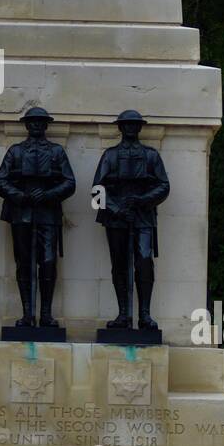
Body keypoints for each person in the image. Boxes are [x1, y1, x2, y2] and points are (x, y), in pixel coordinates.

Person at [0, 108, 75, 328]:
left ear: (46, 125)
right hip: (21, 214)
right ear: (26, 125)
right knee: (24, 264)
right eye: (32, 122)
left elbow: (69, 183)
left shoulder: (57, 152)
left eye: (40, 122)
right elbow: (0, 182)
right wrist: (20, 196)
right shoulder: (16, 151)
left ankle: (46, 314)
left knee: (48, 263)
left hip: (48, 214)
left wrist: (48, 195)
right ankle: (27, 313)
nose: (36, 126)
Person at [92, 109, 169, 330]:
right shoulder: (110, 155)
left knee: (144, 262)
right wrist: (116, 209)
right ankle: (124, 314)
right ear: (120, 127)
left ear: (139, 127)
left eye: (134, 124)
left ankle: (144, 314)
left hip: (143, 216)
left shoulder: (151, 155)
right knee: (120, 265)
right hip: (116, 218)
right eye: (126, 124)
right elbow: (97, 190)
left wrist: (143, 200)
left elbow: (164, 186)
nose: (130, 128)